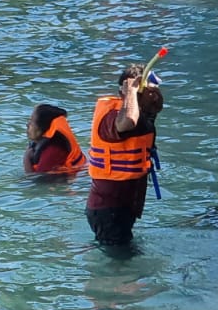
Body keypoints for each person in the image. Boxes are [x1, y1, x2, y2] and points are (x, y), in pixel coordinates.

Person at [86, 63, 164, 249]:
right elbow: (127, 122)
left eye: (156, 90)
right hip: (107, 211)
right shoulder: (113, 117)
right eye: (149, 91)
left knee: (119, 252)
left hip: (121, 209)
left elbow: (153, 109)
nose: (154, 95)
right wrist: (130, 92)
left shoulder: (142, 116)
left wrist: (151, 97)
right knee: (120, 264)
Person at [25, 104, 89, 175]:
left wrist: (26, 160)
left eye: (32, 122)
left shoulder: (52, 151)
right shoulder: (52, 143)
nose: (27, 125)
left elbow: (38, 182)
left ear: (43, 127)